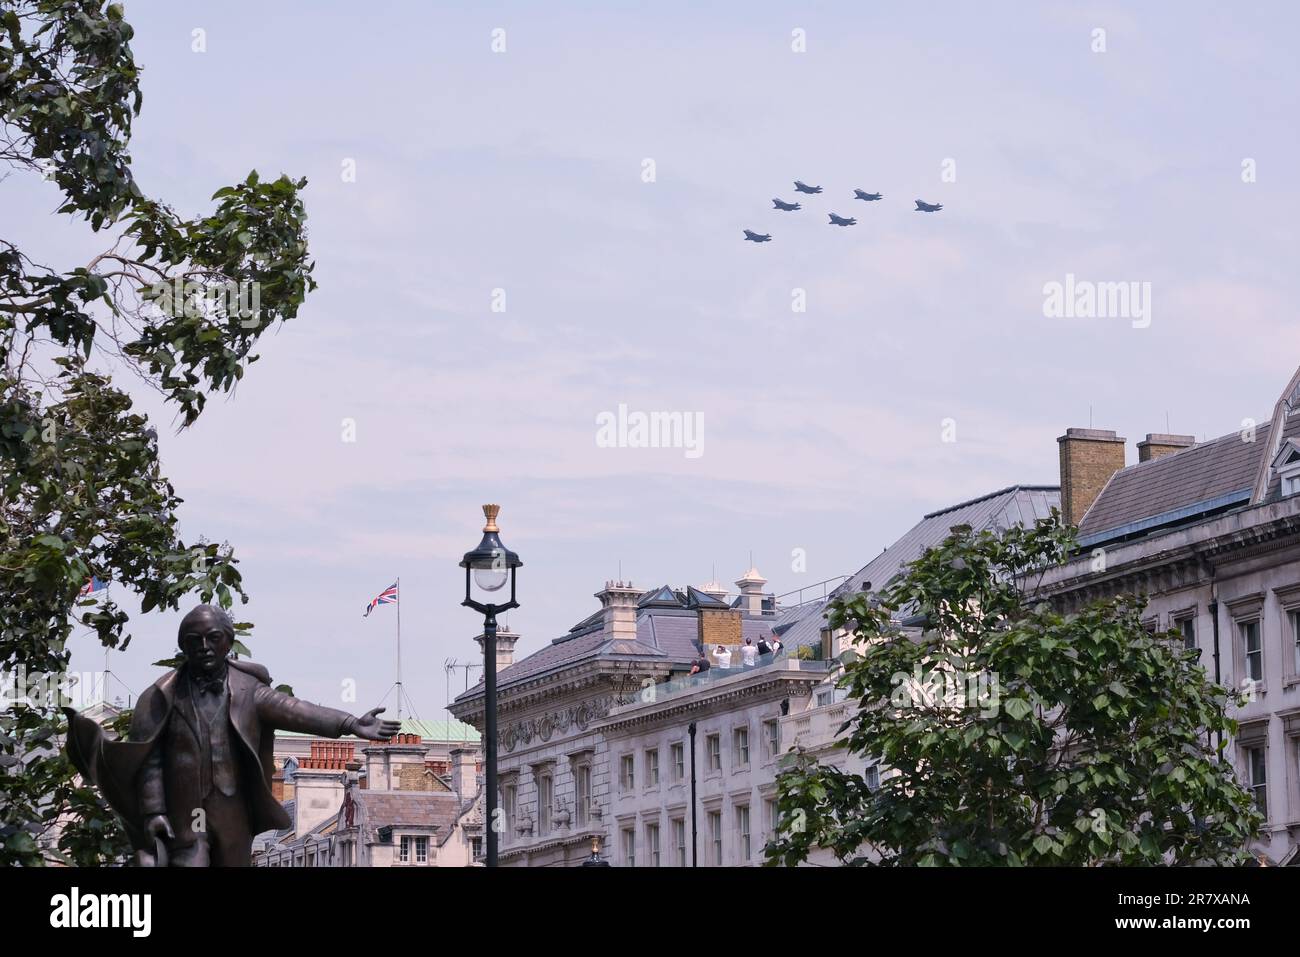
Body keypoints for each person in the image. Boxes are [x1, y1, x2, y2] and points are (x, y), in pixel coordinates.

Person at [64, 604, 402, 866]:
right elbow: (148, 759)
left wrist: (351, 723)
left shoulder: (248, 690)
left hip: (232, 806)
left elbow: (297, 710)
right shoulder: (161, 696)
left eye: (213, 638)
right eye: (195, 641)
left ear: (228, 641)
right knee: (189, 860)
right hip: (186, 808)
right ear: (184, 646)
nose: (205, 647)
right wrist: (153, 812)